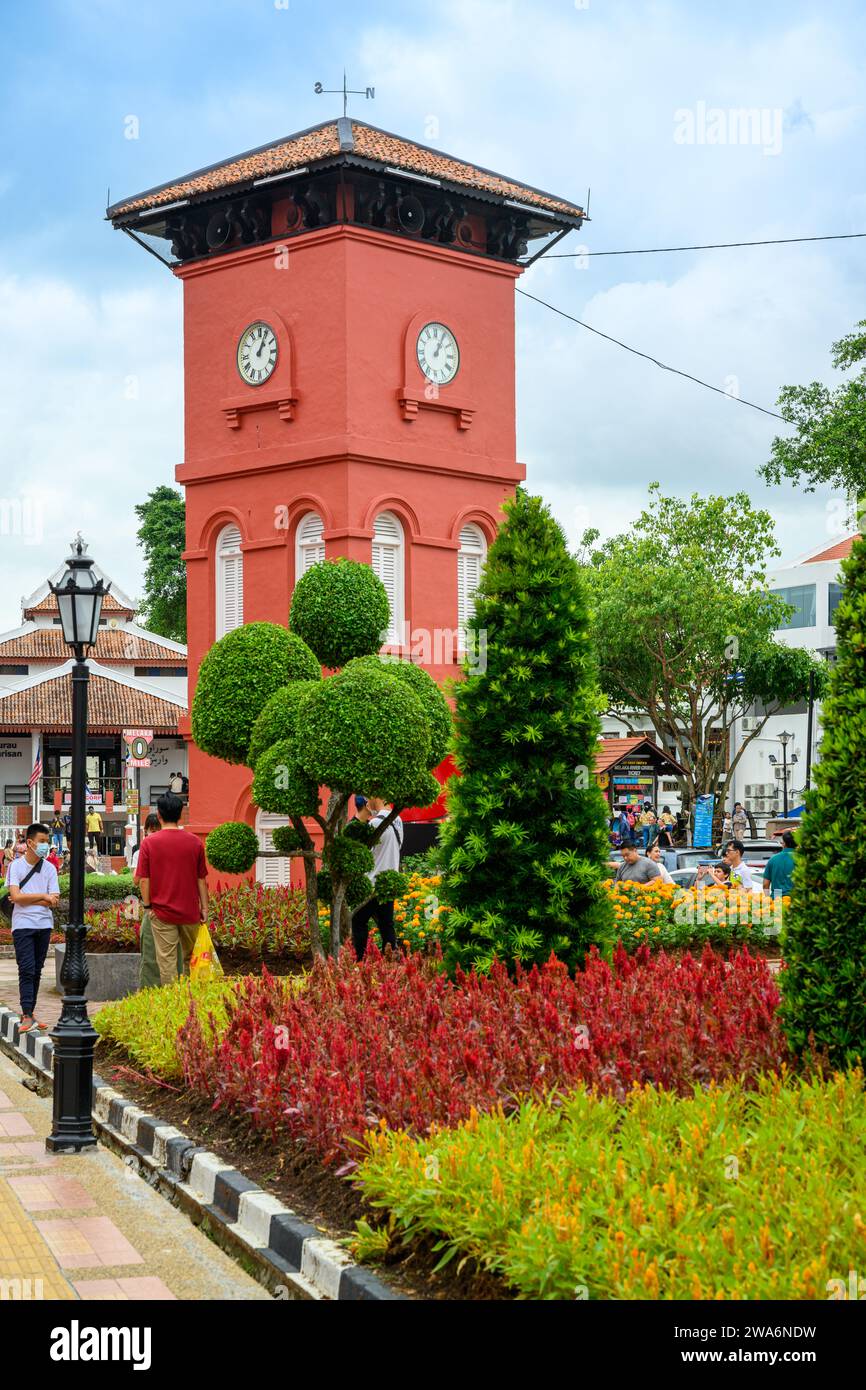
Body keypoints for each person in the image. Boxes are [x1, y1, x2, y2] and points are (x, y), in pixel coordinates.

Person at [136, 792, 208, 986]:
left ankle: (174, 1002)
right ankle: (191, 998)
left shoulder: (149, 843)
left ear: (159, 816)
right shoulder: (195, 843)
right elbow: (201, 880)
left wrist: (148, 907)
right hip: (190, 912)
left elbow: (144, 880)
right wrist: (204, 908)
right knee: (191, 958)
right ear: (181, 814)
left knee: (166, 962)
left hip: (162, 913)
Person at [5, 822, 60, 1033]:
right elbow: (15, 896)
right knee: (26, 969)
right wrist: (43, 896)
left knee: (37, 970)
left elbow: (53, 900)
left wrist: (31, 899)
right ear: (30, 842)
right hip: (22, 926)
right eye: (42, 842)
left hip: (44, 925)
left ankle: (30, 1012)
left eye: (47, 841)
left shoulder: (50, 868)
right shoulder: (15, 867)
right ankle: (27, 1015)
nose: (46, 845)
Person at [350, 794, 404, 961]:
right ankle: (390, 962)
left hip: (372, 883)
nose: (367, 802)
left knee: (358, 921)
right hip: (389, 882)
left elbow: (362, 854)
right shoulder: (398, 821)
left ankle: (359, 959)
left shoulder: (374, 824)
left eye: (369, 798)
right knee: (387, 925)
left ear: (376, 798)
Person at [132, 813, 176, 989]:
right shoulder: (143, 850)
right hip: (165, 908)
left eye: (156, 829)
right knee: (163, 955)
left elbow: (140, 879)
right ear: (145, 831)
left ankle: (157, 992)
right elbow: (137, 879)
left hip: (156, 909)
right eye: (151, 830)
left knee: (155, 954)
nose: (154, 833)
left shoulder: (150, 848)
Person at [763, 830, 796, 898]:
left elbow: (765, 884)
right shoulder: (801, 859)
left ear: (783, 843)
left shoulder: (773, 859)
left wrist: (767, 898)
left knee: (778, 908)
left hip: (777, 896)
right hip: (795, 898)